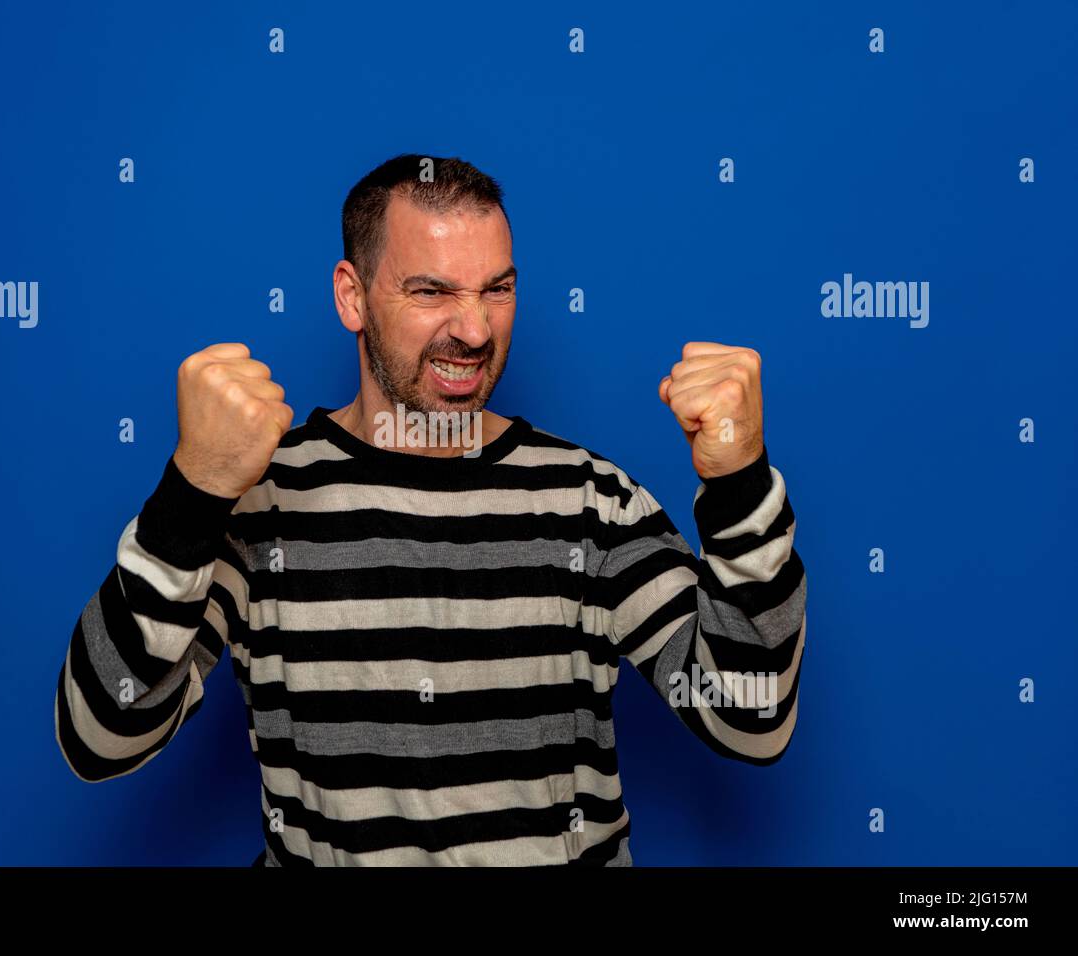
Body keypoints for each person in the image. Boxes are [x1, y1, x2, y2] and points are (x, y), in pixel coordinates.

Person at [54, 154, 807, 866]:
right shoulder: (260, 506)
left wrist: (739, 484)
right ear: (352, 296)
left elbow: (752, 717)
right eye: (431, 291)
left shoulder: (589, 502)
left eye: (497, 289)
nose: (475, 330)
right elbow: (103, 733)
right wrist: (192, 493)